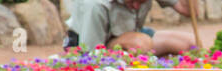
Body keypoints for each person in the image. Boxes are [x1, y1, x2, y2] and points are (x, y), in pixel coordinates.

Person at [65, 0, 195, 55]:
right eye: (132, 1)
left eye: (142, 1)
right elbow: (91, 54)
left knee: (190, 43)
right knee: (141, 43)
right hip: (90, 43)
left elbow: (188, 10)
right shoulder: (95, 5)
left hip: (134, 35)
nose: (137, 6)